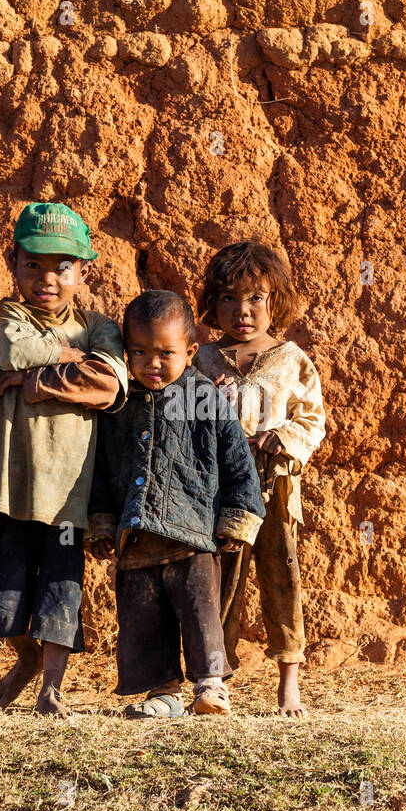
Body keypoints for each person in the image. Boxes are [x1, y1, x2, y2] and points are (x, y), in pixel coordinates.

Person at [0, 202, 128, 718]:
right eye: (34, 264)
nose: (47, 278)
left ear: (84, 271)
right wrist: (70, 358)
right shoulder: (10, 312)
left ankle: (51, 688)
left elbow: (110, 383)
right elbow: (10, 349)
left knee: (61, 582)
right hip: (2, 484)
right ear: (14, 264)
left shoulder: (100, 326)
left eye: (62, 267)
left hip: (67, 491)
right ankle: (25, 658)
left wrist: (33, 382)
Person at [87, 290, 265, 718]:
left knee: (201, 611)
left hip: (193, 536)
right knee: (144, 619)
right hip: (137, 537)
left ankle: (210, 685)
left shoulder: (205, 398)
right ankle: (163, 691)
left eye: (165, 353)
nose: (152, 363)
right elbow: (104, 468)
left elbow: (237, 461)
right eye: (140, 352)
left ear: (190, 352)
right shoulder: (120, 403)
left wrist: (237, 520)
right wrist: (100, 523)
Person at [193, 241, 326, 718]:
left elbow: (313, 420)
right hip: (219, 493)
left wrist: (282, 436)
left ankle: (289, 684)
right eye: (228, 298)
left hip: (274, 489)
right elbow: (184, 423)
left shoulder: (291, 359)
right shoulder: (205, 361)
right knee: (220, 583)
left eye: (255, 298)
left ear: (277, 301)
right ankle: (215, 682)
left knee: (281, 579)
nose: (241, 311)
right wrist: (212, 404)